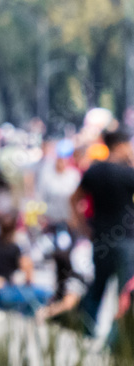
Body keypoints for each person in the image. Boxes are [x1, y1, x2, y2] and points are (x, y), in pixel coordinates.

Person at [71, 126, 134, 334]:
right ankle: (116, 342)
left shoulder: (94, 171)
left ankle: (86, 330)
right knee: (125, 292)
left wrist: (83, 225)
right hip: (125, 238)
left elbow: (74, 199)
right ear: (122, 145)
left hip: (100, 236)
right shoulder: (128, 173)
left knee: (98, 285)